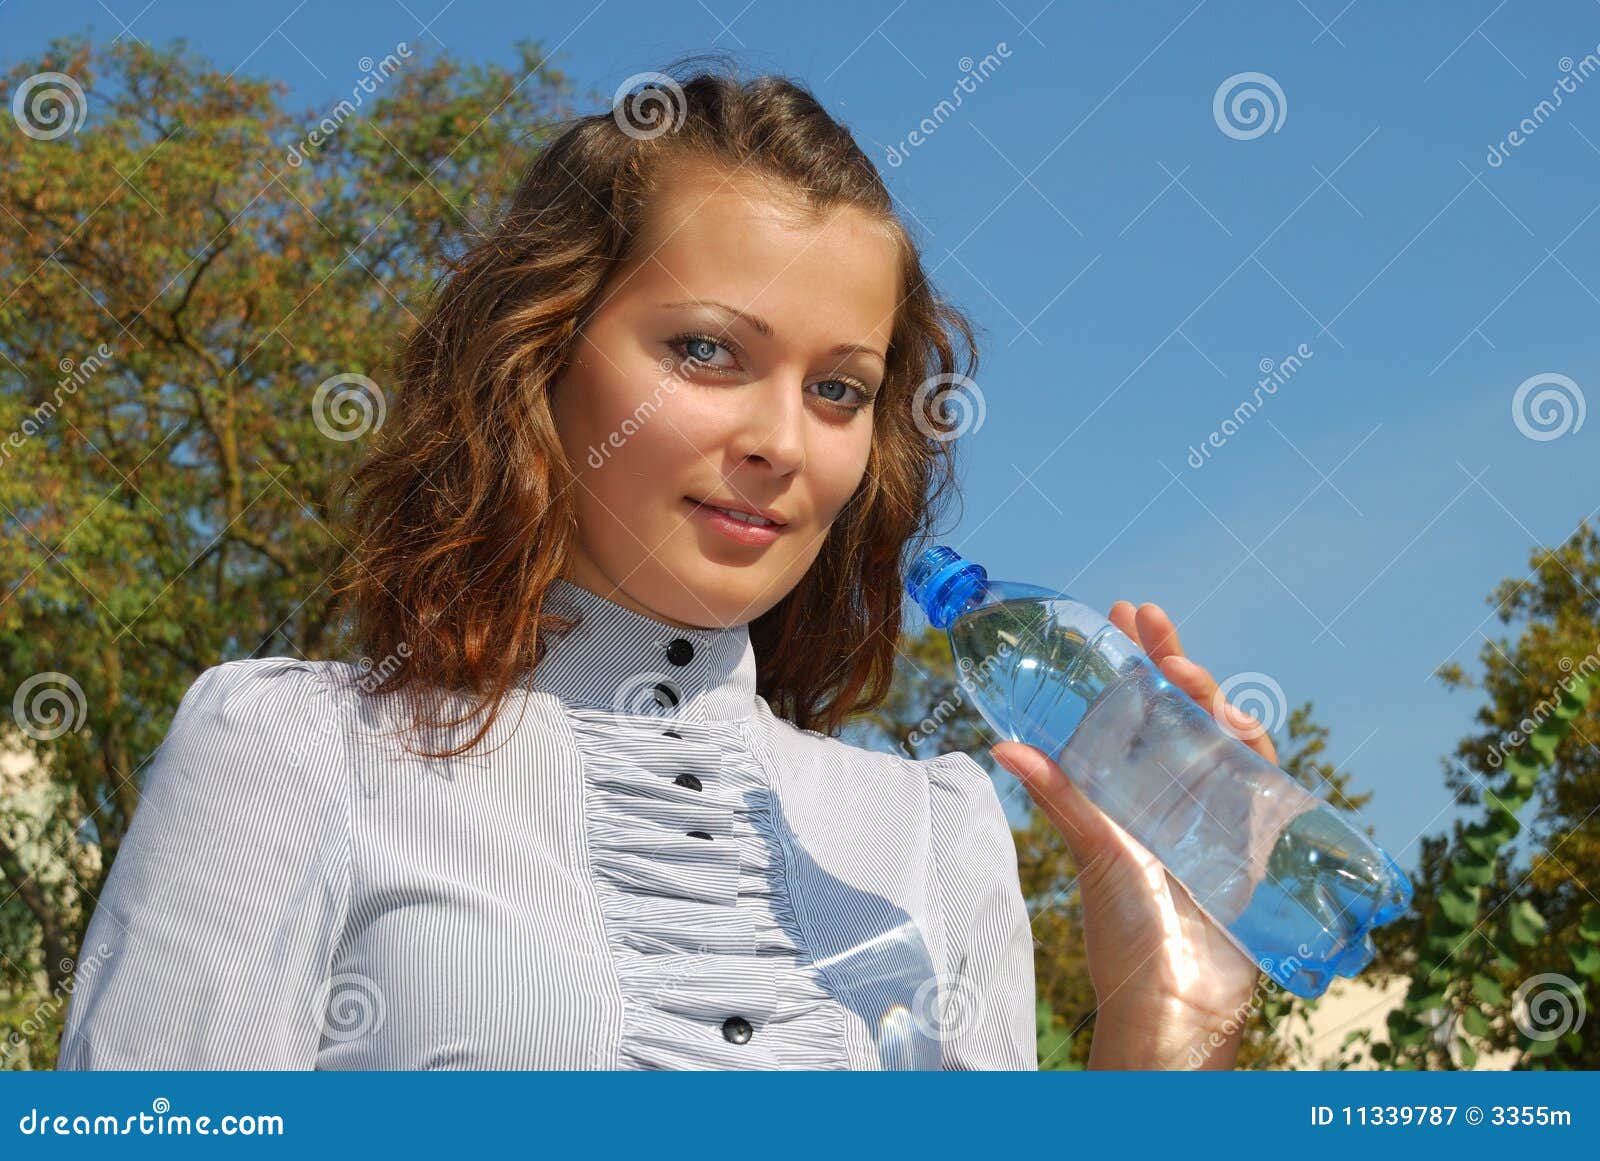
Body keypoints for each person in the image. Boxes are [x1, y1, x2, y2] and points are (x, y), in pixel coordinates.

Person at [57, 65, 1270, 1071]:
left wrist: (1166, 1023)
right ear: (538, 355)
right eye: (705, 350)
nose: (781, 442)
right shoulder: (291, 752)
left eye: (838, 389)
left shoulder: (935, 836)